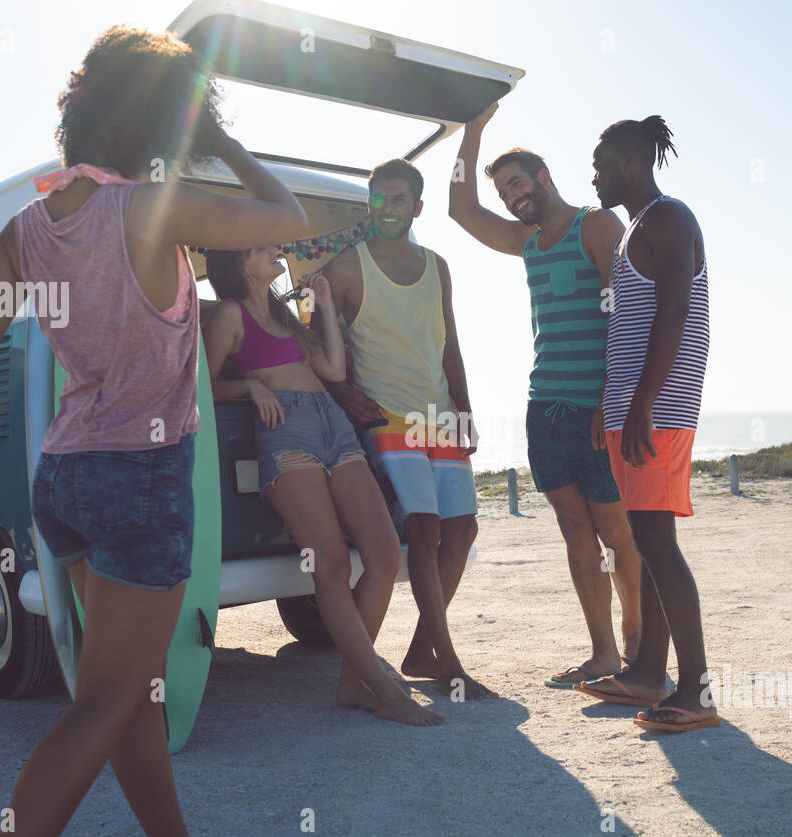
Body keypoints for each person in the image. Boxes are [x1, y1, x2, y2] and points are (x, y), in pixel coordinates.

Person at [0, 26, 310, 837]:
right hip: (140, 478)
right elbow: (291, 216)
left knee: (128, 690)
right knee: (105, 698)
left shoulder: (22, 229)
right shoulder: (151, 208)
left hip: (64, 478)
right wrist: (228, 143)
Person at [202, 246, 443, 726]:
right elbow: (202, 386)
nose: (275, 252)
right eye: (261, 248)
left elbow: (332, 370)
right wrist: (251, 387)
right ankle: (379, 686)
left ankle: (354, 684)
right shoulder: (229, 313)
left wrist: (326, 306)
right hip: (287, 430)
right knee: (329, 563)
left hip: (331, 422)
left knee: (384, 554)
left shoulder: (284, 314)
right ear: (237, 263)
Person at [448, 101, 644, 689]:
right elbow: (459, 207)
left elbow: (626, 312)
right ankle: (603, 653)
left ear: (544, 177)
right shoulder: (526, 241)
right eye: (505, 192)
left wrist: (610, 399)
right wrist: (472, 131)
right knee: (572, 527)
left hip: (594, 405)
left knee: (616, 528)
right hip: (545, 406)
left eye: (516, 184)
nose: (511, 198)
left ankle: (637, 643)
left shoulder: (598, 226)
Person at [321, 159, 495, 700]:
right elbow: (314, 344)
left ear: (417, 208)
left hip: (439, 416)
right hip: (389, 420)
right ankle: (449, 661)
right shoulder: (345, 269)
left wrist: (463, 407)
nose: (386, 209)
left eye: (398, 200)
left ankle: (423, 650)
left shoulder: (438, 266)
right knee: (423, 529)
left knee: (461, 532)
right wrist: (346, 395)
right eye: (378, 199)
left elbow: (450, 344)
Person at [575, 115, 720, 733]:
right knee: (650, 541)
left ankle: (696, 694)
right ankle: (648, 675)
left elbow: (674, 316)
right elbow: (627, 329)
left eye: (601, 165)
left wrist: (640, 405)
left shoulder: (669, 219)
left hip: (658, 408)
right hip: (632, 404)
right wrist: (610, 401)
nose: (595, 176)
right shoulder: (635, 226)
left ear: (630, 163)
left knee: (657, 544)